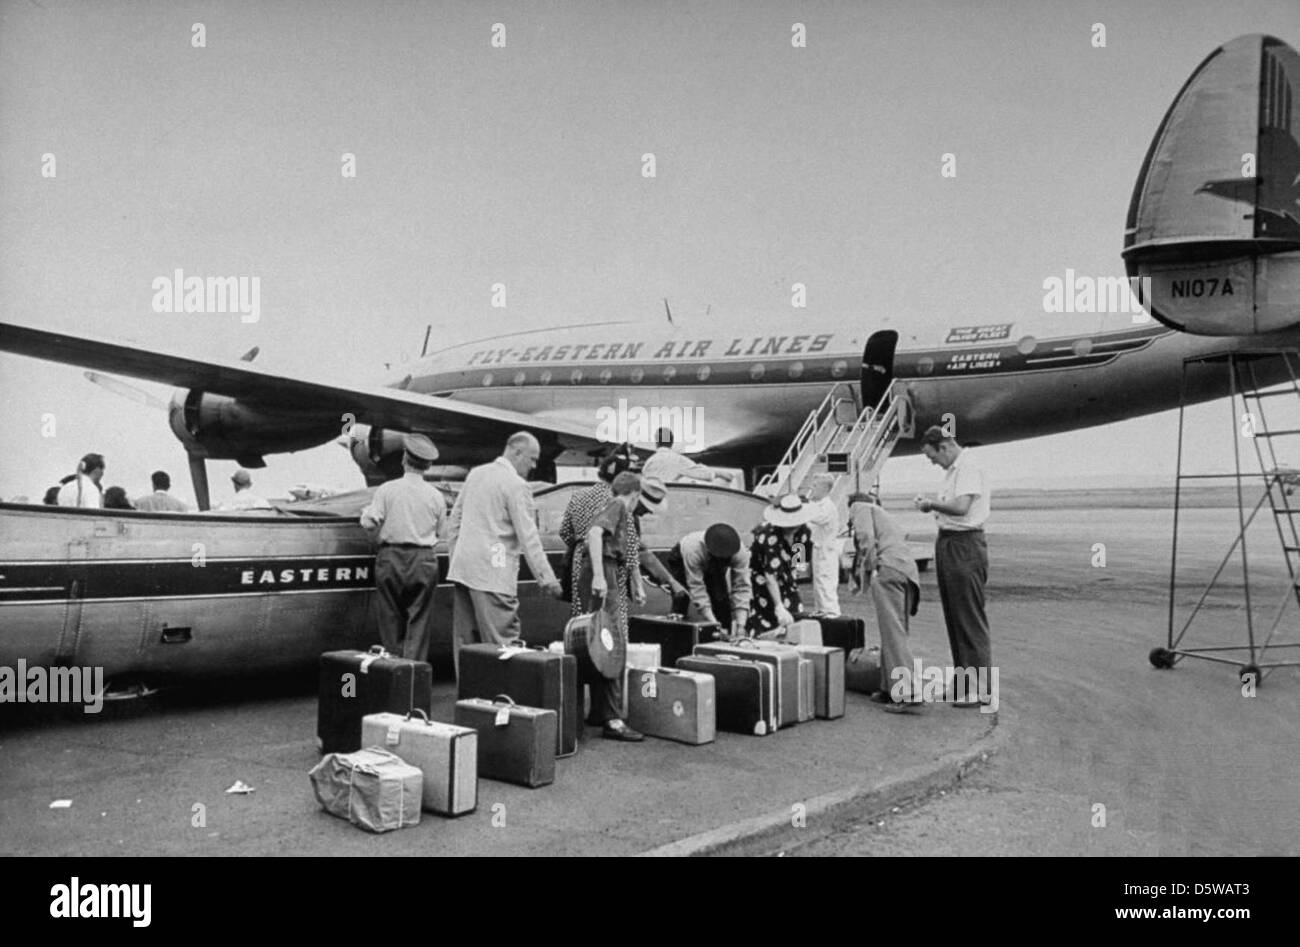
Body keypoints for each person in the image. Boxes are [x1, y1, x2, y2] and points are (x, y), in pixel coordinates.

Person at [446, 432, 564, 671]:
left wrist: (457, 558)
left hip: (463, 570)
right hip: (494, 574)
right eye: (532, 459)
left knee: (467, 647)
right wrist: (548, 579)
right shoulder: (517, 485)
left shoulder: (476, 474)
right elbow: (528, 537)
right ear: (516, 452)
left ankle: (470, 703)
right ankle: (503, 701)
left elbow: (454, 522)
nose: (533, 466)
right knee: (504, 646)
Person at [915, 425, 991, 707]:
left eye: (932, 456)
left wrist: (930, 505)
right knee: (955, 617)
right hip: (950, 542)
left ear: (944, 446)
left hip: (964, 544)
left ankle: (980, 688)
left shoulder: (968, 467)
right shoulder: (954, 470)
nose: (933, 462)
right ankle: (963, 683)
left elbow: (961, 507)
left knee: (969, 619)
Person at [360, 434, 447, 662]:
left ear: (404, 459)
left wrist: (367, 520)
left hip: (390, 557)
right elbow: (440, 532)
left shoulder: (387, 490)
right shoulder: (436, 496)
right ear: (428, 465)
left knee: (390, 618)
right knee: (419, 619)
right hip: (424, 559)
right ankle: (413, 674)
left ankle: (394, 670)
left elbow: (370, 523)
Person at [576, 470, 644, 741]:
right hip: (604, 568)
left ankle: (600, 711)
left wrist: (635, 583)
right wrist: (601, 576)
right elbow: (594, 534)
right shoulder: (619, 506)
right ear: (635, 494)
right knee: (613, 642)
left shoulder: (610, 504)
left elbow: (628, 552)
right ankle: (613, 719)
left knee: (597, 641)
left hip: (602, 569)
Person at [852, 493, 923, 713]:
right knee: (892, 630)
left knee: (892, 633)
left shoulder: (859, 508)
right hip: (905, 569)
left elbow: (865, 536)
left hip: (887, 568)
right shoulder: (882, 514)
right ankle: (888, 687)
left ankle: (906, 691)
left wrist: (871, 569)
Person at [558, 444, 641, 612]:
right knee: (611, 619)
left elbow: (565, 531)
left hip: (580, 560)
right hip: (610, 564)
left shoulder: (578, 496)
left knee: (583, 616)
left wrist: (581, 544)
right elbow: (631, 548)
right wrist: (638, 583)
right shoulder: (620, 502)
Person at [663, 523, 752, 636]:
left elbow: (742, 587)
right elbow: (697, 588)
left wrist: (741, 626)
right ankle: (677, 639)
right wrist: (714, 625)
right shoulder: (693, 550)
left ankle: (725, 637)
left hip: (709, 560)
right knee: (682, 597)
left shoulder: (739, 553)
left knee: (721, 599)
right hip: (681, 558)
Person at [746, 493, 814, 635]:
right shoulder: (769, 535)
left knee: (795, 616)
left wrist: (793, 583)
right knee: (767, 618)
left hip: (786, 578)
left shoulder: (803, 532)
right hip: (762, 581)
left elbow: (799, 564)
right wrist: (779, 606)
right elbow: (770, 576)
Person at [627, 477, 690, 605]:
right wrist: (671, 581)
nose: (648, 512)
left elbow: (639, 547)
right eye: (646, 507)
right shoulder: (624, 515)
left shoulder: (633, 517)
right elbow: (639, 552)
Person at [804, 473, 844, 618]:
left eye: (815, 486)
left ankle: (831, 611)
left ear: (824, 488)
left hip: (827, 549)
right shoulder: (816, 505)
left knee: (826, 579)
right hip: (817, 547)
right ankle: (821, 608)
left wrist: (800, 511)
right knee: (818, 579)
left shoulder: (827, 506)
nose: (811, 488)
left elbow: (818, 519)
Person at [640, 427, 729, 485]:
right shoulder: (678, 460)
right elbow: (702, 473)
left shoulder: (649, 462)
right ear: (672, 442)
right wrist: (720, 473)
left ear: (657, 442)